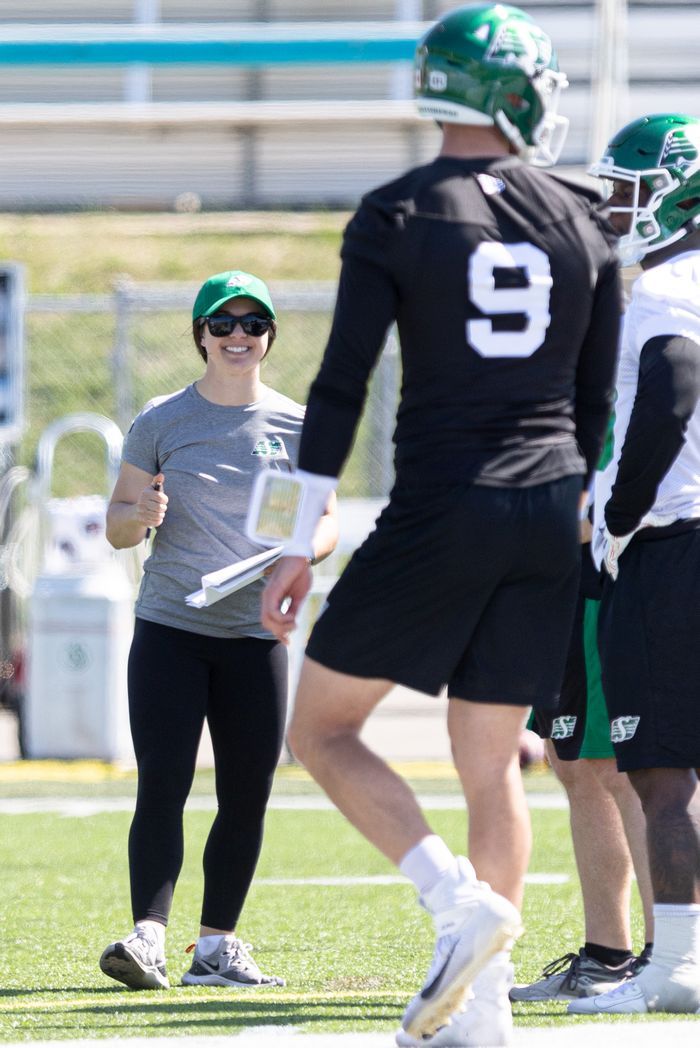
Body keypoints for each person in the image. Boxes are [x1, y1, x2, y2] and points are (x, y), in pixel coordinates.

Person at [256, 4, 621, 1044]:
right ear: (516, 89)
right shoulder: (583, 214)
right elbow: (592, 401)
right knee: (489, 758)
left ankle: (451, 901)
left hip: (443, 502)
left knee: (320, 730)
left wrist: (295, 531)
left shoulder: (397, 211)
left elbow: (339, 389)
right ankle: (486, 1006)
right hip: (551, 504)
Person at [98, 269, 338, 991]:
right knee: (163, 784)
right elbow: (115, 524)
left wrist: (300, 553)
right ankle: (147, 939)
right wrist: (138, 517)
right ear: (200, 335)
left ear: (269, 336)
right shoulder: (161, 420)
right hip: (171, 626)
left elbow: (324, 522)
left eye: (253, 324)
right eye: (223, 324)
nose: (238, 336)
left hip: (256, 636)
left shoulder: (301, 425)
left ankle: (216, 948)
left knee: (247, 792)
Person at [566, 112, 700, 1016]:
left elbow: (675, 381)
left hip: (670, 543)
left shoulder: (665, 294)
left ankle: (674, 970)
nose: (614, 211)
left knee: (661, 773)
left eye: (625, 192)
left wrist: (617, 512)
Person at [511, 503, 654, 1003]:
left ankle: (668, 955)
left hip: (600, 563)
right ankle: (606, 958)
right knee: (572, 763)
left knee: (621, 766)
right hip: (553, 577)